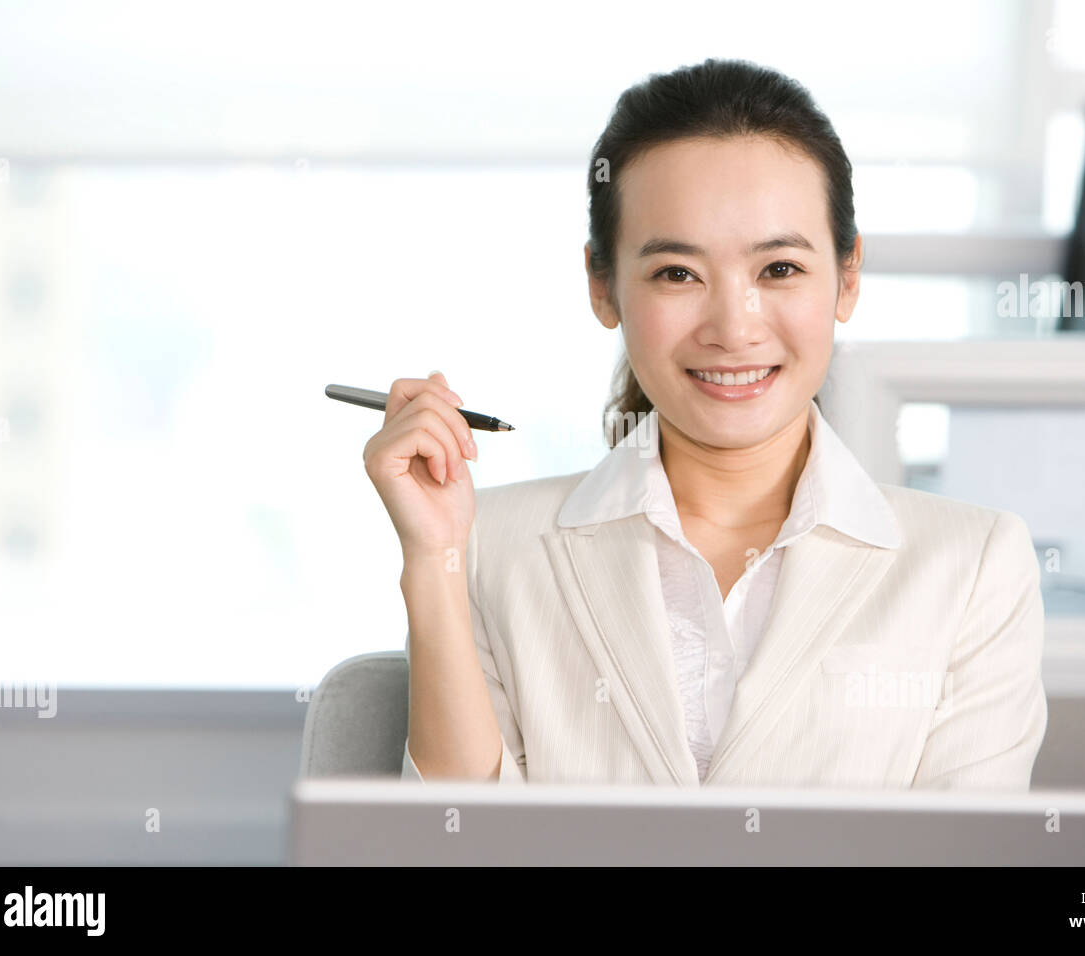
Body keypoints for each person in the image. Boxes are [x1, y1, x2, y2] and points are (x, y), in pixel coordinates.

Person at [361, 57, 1048, 789]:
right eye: (677, 274)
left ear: (848, 277)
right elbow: (455, 841)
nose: (733, 327)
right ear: (603, 287)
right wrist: (434, 558)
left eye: (779, 268)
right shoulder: (487, 546)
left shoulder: (973, 566)